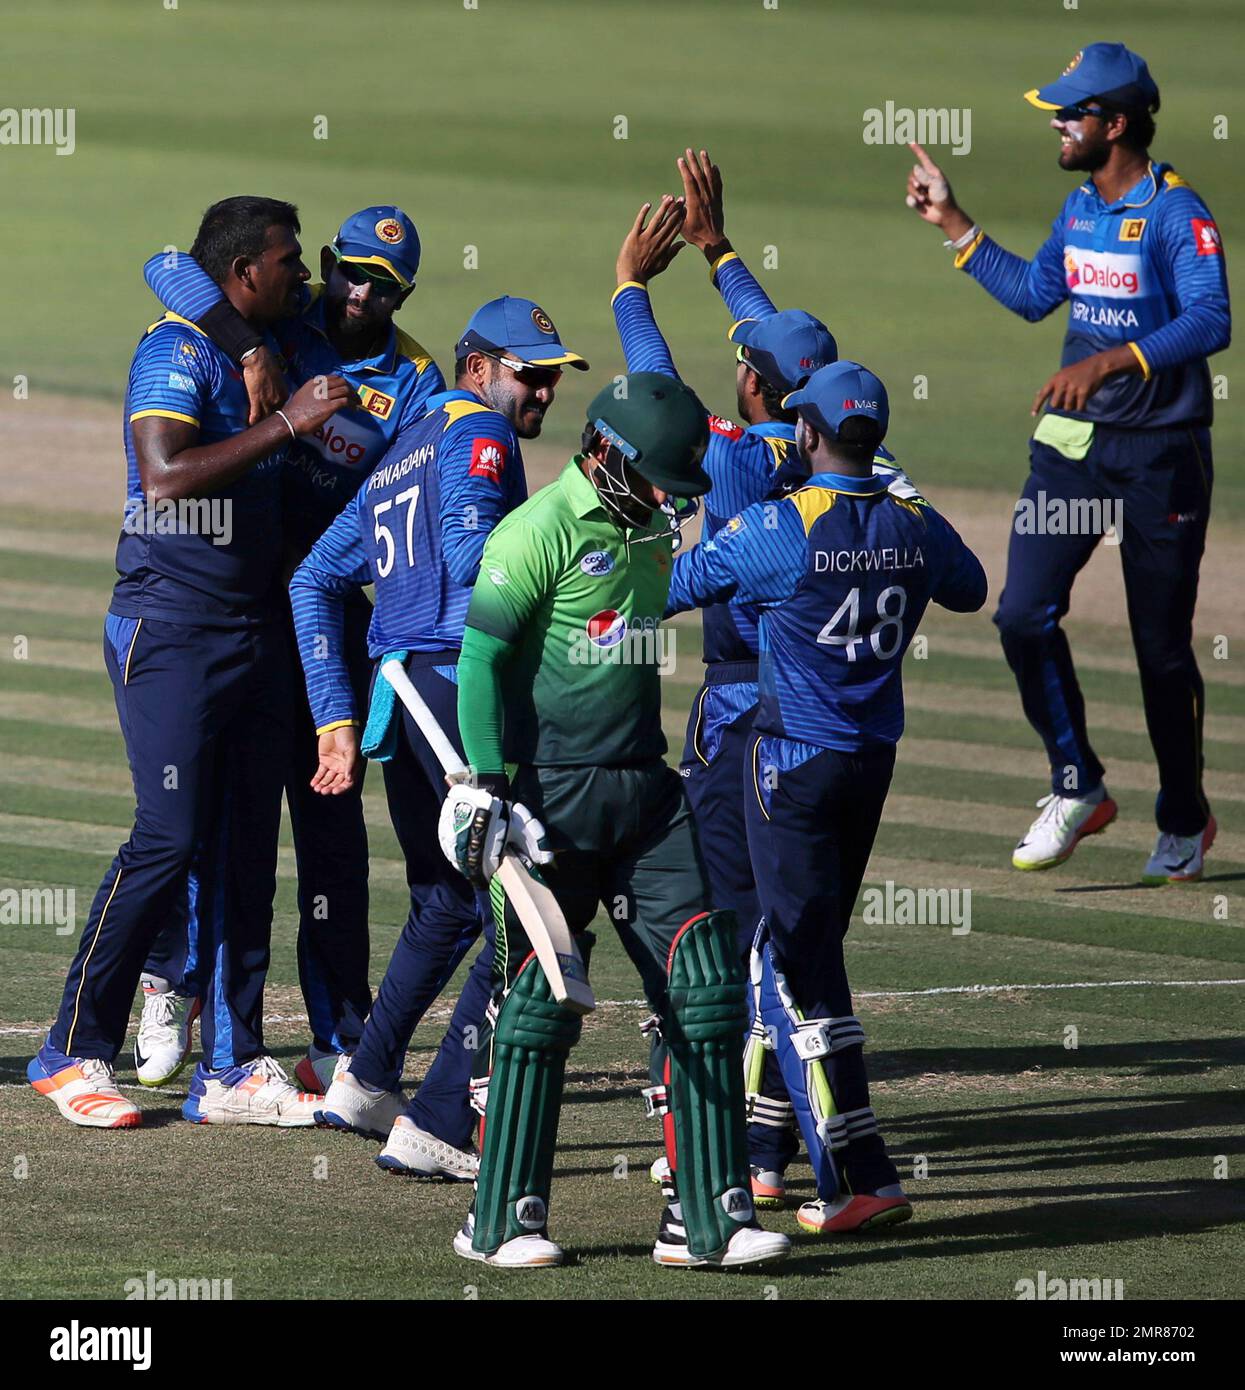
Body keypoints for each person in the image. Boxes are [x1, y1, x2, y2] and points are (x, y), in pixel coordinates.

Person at [612, 153, 918, 1210]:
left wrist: (631, 288)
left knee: (733, 942)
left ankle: (731, 1145)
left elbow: (655, 394)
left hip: (748, 729)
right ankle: (764, 1146)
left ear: (759, 391)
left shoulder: (739, 461)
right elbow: (785, 339)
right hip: (849, 733)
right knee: (800, 947)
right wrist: (721, 256)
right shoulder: (867, 475)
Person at [440, 372, 790, 1270]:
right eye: (659, 483)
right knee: (538, 1006)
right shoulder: (535, 532)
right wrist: (485, 785)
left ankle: (706, 1221)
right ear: (603, 454)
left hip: (643, 791)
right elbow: (479, 660)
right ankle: (501, 1223)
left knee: (707, 991)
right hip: (544, 802)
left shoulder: (645, 527)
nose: (672, 504)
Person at [29, 197, 353, 1128]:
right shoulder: (173, 352)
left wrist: (255, 347)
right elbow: (165, 480)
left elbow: (177, 258)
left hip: (254, 626)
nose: (303, 273)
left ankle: (231, 1068)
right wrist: (287, 422)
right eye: (288, 259)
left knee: (247, 852)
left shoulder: (265, 323)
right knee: (167, 838)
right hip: (169, 627)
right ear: (245, 271)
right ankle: (70, 1052)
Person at [666, 361, 988, 1232]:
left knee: (797, 964)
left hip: (792, 767)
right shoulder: (913, 524)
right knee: (794, 947)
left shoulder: (779, 525)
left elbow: (670, 590)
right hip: (869, 763)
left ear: (804, 433)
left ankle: (857, 1175)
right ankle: (765, 1157)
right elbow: (971, 589)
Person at [132, 208, 445, 1093]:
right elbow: (164, 259)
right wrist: (247, 343)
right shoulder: (283, 312)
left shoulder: (413, 379)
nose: (355, 292)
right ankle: (182, 986)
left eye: (379, 285)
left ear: (402, 294)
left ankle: (338, 1037)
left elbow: (413, 489)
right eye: (346, 270)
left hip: (332, 614)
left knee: (333, 837)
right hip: (240, 605)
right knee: (222, 824)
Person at [904, 42, 1230, 882]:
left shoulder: (1173, 212)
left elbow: (1210, 320)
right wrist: (952, 222)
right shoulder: (1079, 209)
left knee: (1159, 649)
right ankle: (1077, 782)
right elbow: (1031, 296)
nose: (1056, 122)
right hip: (1073, 451)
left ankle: (1184, 819)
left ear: (1114, 123)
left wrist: (1107, 360)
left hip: (1161, 457)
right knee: (1020, 614)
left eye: (1070, 112)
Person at [290, 297, 587, 1179]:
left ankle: (365, 1080)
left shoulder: (398, 451)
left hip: (400, 695)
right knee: (526, 906)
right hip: (460, 694)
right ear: (476, 367)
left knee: (449, 901)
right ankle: (439, 1122)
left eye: (549, 374)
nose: (540, 390)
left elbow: (314, 579)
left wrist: (335, 715)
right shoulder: (484, 443)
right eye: (526, 373)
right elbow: (472, 560)